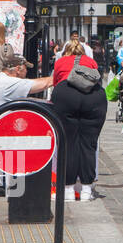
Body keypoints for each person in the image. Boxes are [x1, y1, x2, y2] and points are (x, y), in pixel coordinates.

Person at [0, 56, 54, 189]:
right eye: (26, 68)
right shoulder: (8, 82)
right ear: (17, 69)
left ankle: (9, 180)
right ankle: (23, 182)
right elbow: (44, 84)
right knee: (39, 140)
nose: (27, 72)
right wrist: (63, 75)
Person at [51, 37, 108, 201]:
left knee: (67, 142)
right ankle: (86, 190)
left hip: (65, 94)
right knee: (88, 144)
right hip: (93, 97)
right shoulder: (90, 61)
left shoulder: (60, 62)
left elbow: (56, 83)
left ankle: (68, 189)